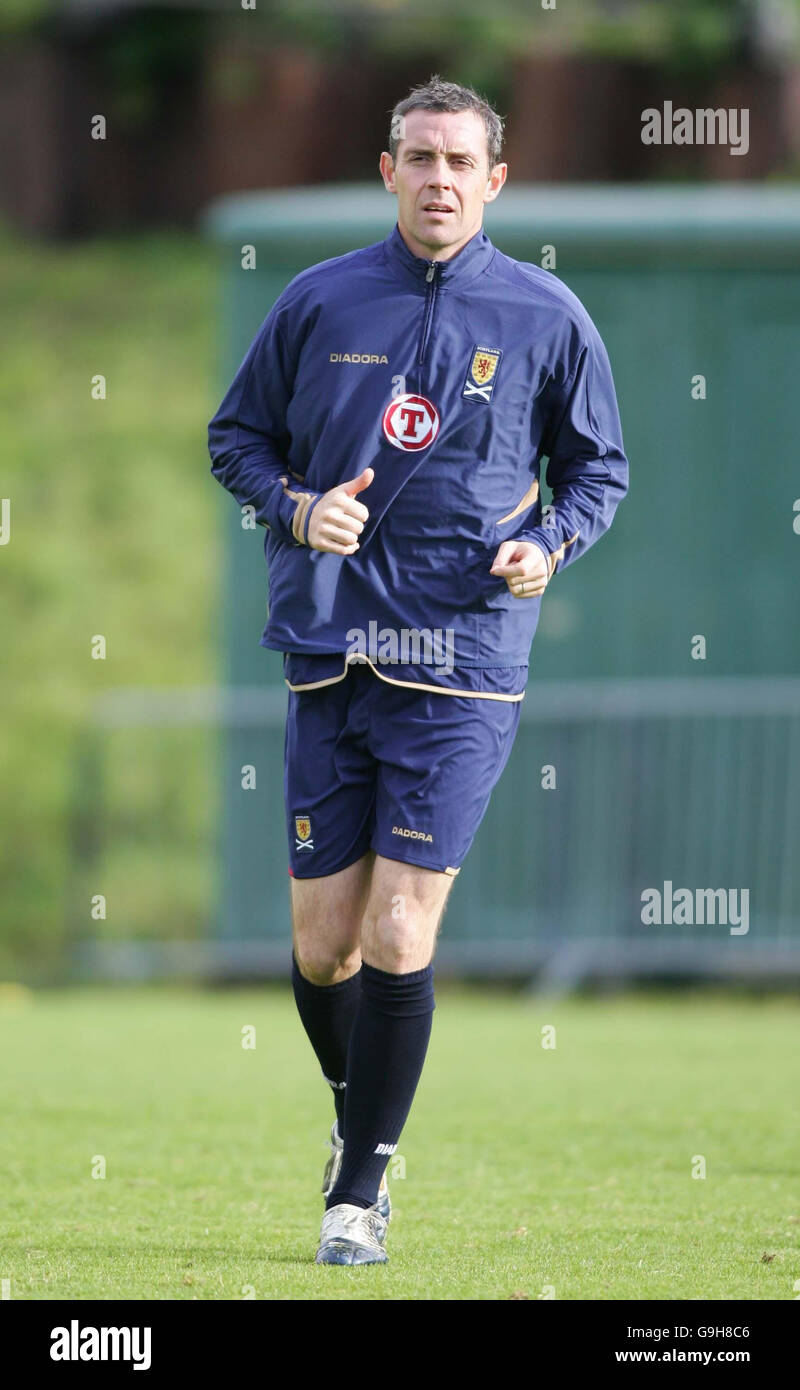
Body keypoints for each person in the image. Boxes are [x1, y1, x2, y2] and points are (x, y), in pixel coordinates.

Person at [208, 75, 628, 1266]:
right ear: (385, 169)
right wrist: (295, 512)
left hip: (462, 662)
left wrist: (545, 543)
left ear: (495, 183)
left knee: (398, 930)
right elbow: (233, 438)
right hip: (330, 650)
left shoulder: (548, 316)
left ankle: (357, 1194)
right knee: (322, 946)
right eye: (420, 158)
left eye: (461, 163)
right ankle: (363, 1127)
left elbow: (599, 470)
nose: (439, 179)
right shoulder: (316, 298)